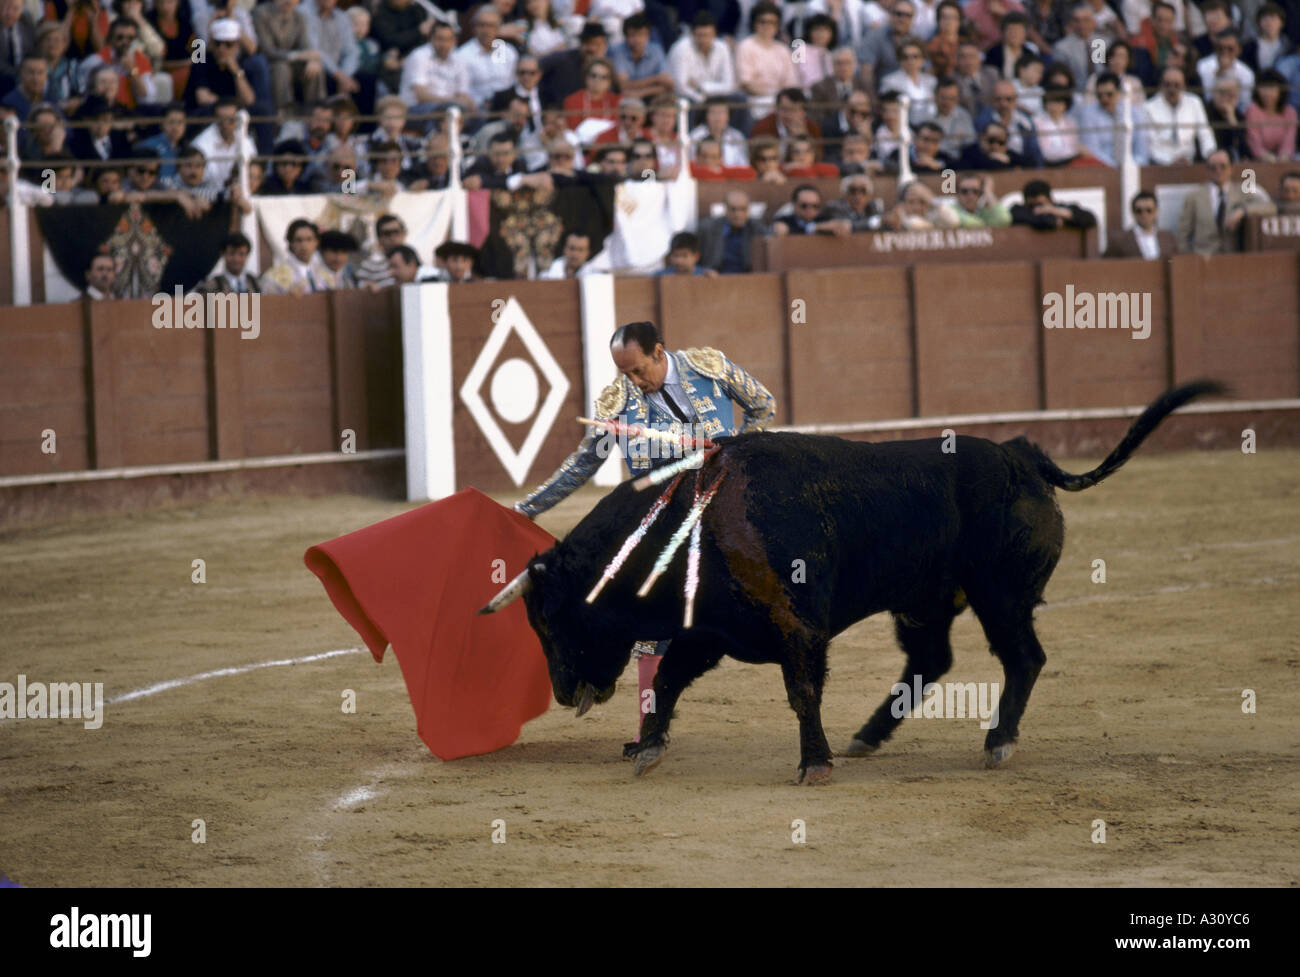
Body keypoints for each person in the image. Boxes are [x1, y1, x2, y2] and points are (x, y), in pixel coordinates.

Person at [513, 321, 776, 754]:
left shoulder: (709, 368)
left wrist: (737, 451)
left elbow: (763, 406)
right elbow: (583, 464)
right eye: (624, 373)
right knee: (648, 623)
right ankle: (647, 730)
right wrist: (529, 508)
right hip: (660, 525)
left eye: (638, 370)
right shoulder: (618, 404)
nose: (632, 381)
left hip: (722, 510)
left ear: (659, 352)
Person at [1177, 149, 1276, 254]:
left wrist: (1242, 211)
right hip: (1203, 259)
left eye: (1223, 166)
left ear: (1231, 168)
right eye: (1213, 167)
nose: (1218, 171)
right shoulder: (1194, 197)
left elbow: (1270, 207)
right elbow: (1182, 235)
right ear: (1206, 170)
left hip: (1234, 258)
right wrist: (1190, 260)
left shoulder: (1243, 192)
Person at [1144, 65, 1216, 164]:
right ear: (1161, 86)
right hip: (1159, 165)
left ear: (1184, 86)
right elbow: (1149, 144)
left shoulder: (1194, 102)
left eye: (1177, 85)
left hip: (1188, 162)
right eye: (1167, 85)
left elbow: (1205, 134)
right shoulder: (1149, 107)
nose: (1172, 89)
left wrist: (1211, 155)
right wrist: (1171, 161)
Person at [697, 189, 769, 273]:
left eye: (742, 209)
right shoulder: (707, 228)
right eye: (733, 209)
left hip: (748, 279)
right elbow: (696, 260)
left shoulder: (757, 229)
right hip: (715, 278)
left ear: (748, 210)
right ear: (725, 209)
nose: (738, 214)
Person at [260, 218, 336, 293]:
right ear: (291, 243)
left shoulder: (326, 275)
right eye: (298, 240)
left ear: (316, 242)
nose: (304, 245)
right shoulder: (274, 276)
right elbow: (262, 303)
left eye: (309, 239)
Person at [1104, 190, 1176, 258]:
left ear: (1156, 212)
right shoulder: (1120, 241)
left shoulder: (1167, 238)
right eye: (1139, 211)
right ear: (1133, 213)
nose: (1144, 214)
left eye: (1149, 210)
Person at [1245, 67, 1297, 160]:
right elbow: (1254, 142)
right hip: (1258, 160)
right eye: (1263, 87)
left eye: (1272, 88)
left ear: (1280, 90)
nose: (1267, 93)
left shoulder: (1290, 112)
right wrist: (1267, 158)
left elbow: (1289, 142)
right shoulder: (1252, 110)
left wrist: (1283, 157)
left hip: (1285, 160)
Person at [1010, 178, 1098, 229]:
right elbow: (1043, 221)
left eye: (1041, 204)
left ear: (1051, 200)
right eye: (1033, 205)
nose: (1038, 207)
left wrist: (1056, 211)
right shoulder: (1019, 211)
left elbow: (1090, 218)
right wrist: (1052, 220)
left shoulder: (1058, 208)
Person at [196, 232, 261, 292]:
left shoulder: (257, 284)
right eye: (232, 253)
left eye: (241, 254)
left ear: (247, 255)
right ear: (223, 254)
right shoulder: (210, 287)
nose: (236, 259)